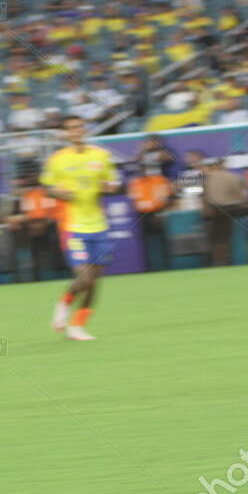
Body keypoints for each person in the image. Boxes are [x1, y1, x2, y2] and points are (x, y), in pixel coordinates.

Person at [43, 117, 120, 341]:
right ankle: (64, 302)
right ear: (65, 133)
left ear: (84, 129)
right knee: (84, 279)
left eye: (79, 126)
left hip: (99, 225)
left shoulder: (100, 155)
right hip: (73, 226)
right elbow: (48, 188)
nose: (76, 131)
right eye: (71, 128)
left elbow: (113, 183)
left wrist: (110, 187)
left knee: (95, 282)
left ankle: (77, 327)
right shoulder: (57, 160)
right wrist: (60, 193)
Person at [201, 158, 248, 267]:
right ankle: (237, 260)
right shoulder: (233, 177)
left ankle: (220, 262)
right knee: (232, 237)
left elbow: (206, 199)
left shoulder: (208, 179)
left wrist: (206, 213)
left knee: (218, 239)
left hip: (216, 211)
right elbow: (240, 196)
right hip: (233, 210)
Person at [127, 165, 175, 271]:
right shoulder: (135, 183)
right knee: (145, 242)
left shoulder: (159, 180)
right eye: (141, 169)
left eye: (145, 169)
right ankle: (150, 267)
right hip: (141, 216)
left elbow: (168, 196)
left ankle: (166, 266)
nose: (143, 172)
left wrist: (163, 209)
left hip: (158, 212)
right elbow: (131, 199)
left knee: (163, 240)